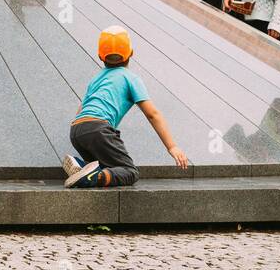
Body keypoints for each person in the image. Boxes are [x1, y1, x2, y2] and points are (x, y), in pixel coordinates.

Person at [63, 26, 188, 188]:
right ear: (131, 53)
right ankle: (93, 176)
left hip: (76, 131)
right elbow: (152, 114)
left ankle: (83, 168)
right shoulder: (131, 78)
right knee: (129, 171)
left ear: (100, 56)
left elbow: (80, 110)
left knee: (109, 167)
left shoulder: (96, 79)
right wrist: (172, 146)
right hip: (98, 128)